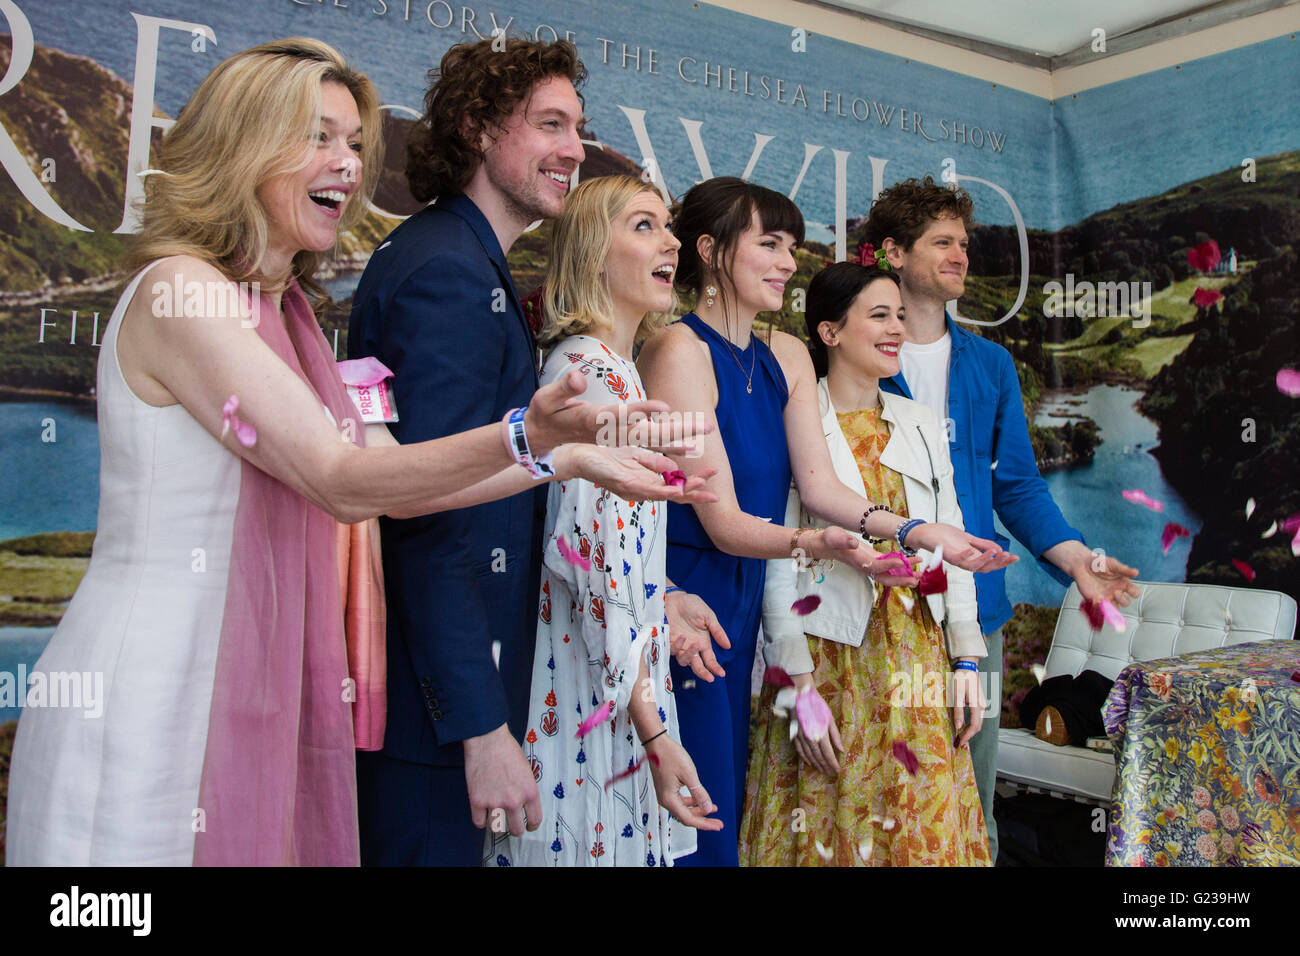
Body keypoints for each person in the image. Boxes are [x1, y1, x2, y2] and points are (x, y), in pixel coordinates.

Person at [5, 38, 706, 868]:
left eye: (354, 144)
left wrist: (572, 459)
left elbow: (399, 489)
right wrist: (534, 437)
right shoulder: (180, 289)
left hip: (259, 686)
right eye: (318, 137)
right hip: (158, 690)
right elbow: (340, 481)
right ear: (242, 144)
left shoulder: (290, 310)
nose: (346, 164)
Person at [348, 37, 708, 866]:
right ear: (477, 127)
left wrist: (662, 593)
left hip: (456, 703)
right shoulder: (446, 272)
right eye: (550, 124)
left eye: (577, 127)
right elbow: (424, 512)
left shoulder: (466, 262)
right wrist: (479, 724)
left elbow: (513, 497)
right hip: (436, 723)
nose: (574, 149)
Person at [637, 177, 1015, 866]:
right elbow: (726, 520)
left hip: (761, 595)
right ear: (710, 250)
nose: (788, 261)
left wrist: (912, 531)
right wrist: (823, 546)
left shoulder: (783, 354)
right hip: (695, 595)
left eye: (793, 246)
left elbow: (819, 485)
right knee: (700, 824)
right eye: (770, 244)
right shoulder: (675, 352)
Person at [862, 175, 1141, 862]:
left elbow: (1015, 485)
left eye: (964, 242)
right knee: (879, 799)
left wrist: (1075, 557)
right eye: (942, 242)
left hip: (976, 616)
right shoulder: (852, 357)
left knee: (967, 799)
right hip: (876, 610)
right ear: (893, 253)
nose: (960, 255)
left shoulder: (990, 364)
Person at [487, 175, 727, 867]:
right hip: (599, 702)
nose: (673, 241)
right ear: (594, 253)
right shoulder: (597, 376)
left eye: (669, 226)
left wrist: (667, 595)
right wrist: (655, 736)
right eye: (644, 225)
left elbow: (607, 555)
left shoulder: (606, 368)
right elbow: (602, 580)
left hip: (604, 687)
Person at [740, 263, 990, 866]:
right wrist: (796, 683)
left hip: (918, 654)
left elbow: (951, 545)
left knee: (921, 826)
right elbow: (781, 558)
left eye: (900, 315)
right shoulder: (797, 426)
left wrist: (964, 658)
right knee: (829, 824)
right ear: (829, 333)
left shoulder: (921, 423)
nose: (897, 329)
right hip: (830, 660)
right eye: (879, 315)